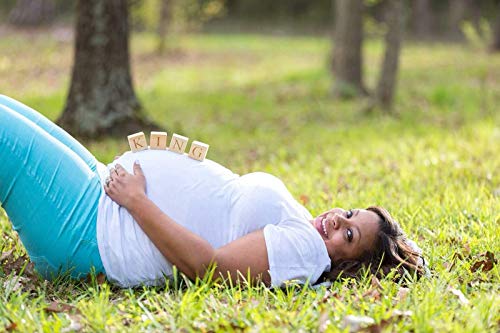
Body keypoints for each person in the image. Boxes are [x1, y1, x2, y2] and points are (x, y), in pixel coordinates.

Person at [0, 95, 426, 288]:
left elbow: (209, 269)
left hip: (93, 232)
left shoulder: (305, 253)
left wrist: (138, 201)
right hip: (100, 193)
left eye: (348, 236)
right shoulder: (305, 233)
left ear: (348, 267)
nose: (338, 221)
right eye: (349, 214)